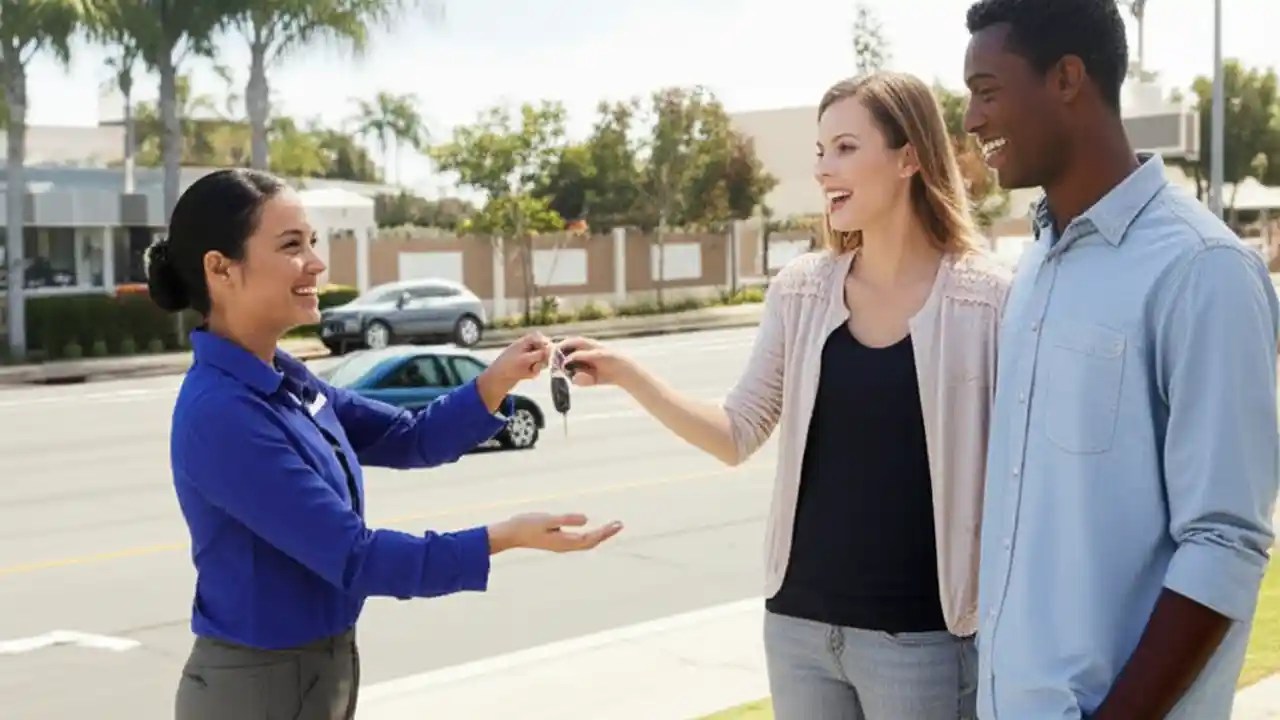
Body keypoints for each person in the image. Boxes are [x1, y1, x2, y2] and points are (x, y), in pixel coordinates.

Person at [558, 72, 1011, 719]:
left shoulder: (987, 302)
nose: (825, 170)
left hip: (923, 640)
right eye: (821, 151)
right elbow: (738, 430)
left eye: (846, 148)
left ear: (909, 156)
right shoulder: (800, 292)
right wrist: (629, 374)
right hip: (798, 629)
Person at [147, 168, 623, 720]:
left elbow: (410, 437)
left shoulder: (286, 377)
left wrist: (498, 379)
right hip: (255, 688)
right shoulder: (222, 414)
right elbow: (355, 557)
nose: (317, 264)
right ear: (219, 268)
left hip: (319, 672)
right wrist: (502, 538)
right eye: (291, 246)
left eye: (313, 243)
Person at [961, 1, 1280, 718]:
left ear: (1067, 78)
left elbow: (1225, 541)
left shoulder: (1204, 270)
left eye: (987, 91)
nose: (972, 120)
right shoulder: (1037, 262)